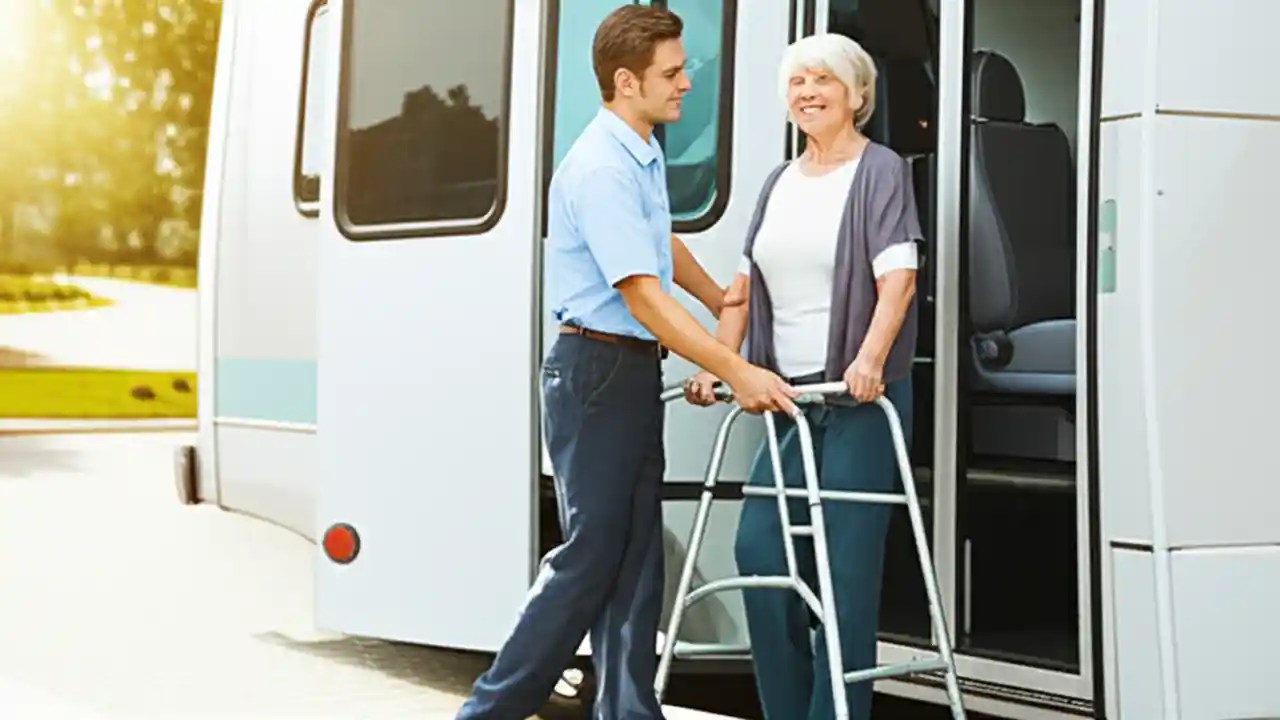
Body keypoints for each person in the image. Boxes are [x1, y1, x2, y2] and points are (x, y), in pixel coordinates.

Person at [455, 6, 797, 719]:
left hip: (626, 373)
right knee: (589, 558)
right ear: (625, 80)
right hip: (596, 372)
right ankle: (487, 712)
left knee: (636, 563)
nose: (686, 85)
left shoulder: (641, 151)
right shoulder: (602, 168)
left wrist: (720, 295)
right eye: (673, 74)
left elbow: (658, 243)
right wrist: (736, 370)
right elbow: (641, 296)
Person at [682, 33, 923, 720]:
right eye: (798, 82)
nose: (808, 93)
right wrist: (718, 364)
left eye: (824, 81)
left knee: (844, 575)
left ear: (856, 96)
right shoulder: (778, 182)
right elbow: (742, 283)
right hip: (789, 400)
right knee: (759, 551)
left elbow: (898, 278)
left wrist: (870, 360)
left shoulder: (880, 171)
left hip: (854, 398)